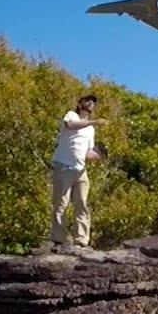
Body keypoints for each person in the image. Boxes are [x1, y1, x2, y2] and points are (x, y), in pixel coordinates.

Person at [49, 94, 108, 249]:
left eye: (93, 102)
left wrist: (100, 155)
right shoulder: (71, 115)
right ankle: (58, 240)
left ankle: (81, 240)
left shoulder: (91, 130)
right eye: (87, 100)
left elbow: (88, 153)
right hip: (64, 166)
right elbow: (71, 125)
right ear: (80, 103)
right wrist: (94, 122)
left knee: (82, 203)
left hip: (81, 170)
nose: (90, 104)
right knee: (61, 203)